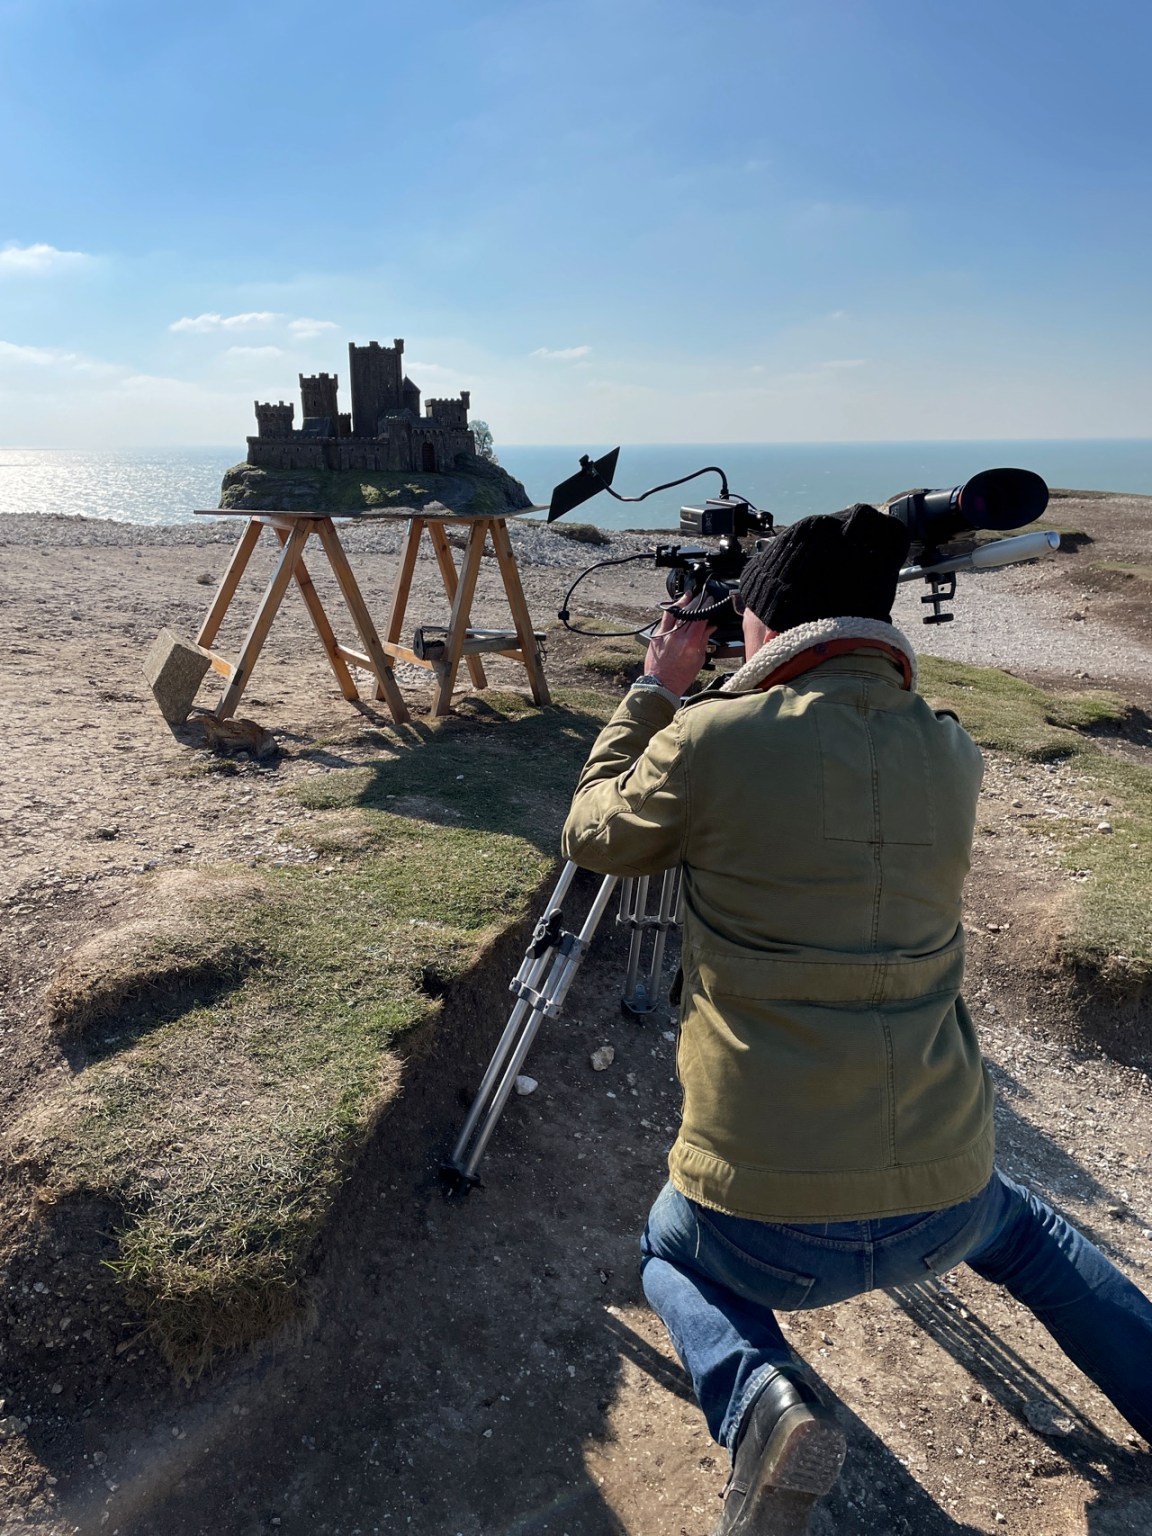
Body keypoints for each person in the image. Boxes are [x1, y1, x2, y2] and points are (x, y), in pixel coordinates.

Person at [560, 505, 1152, 1536]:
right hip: (945, 1198)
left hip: (762, 1229)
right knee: (1027, 1226)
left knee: (666, 1248)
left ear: (765, 627)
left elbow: (591, 832)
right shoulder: (950, 751)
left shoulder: (708, 741)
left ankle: (762, 1401)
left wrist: (657, 687)